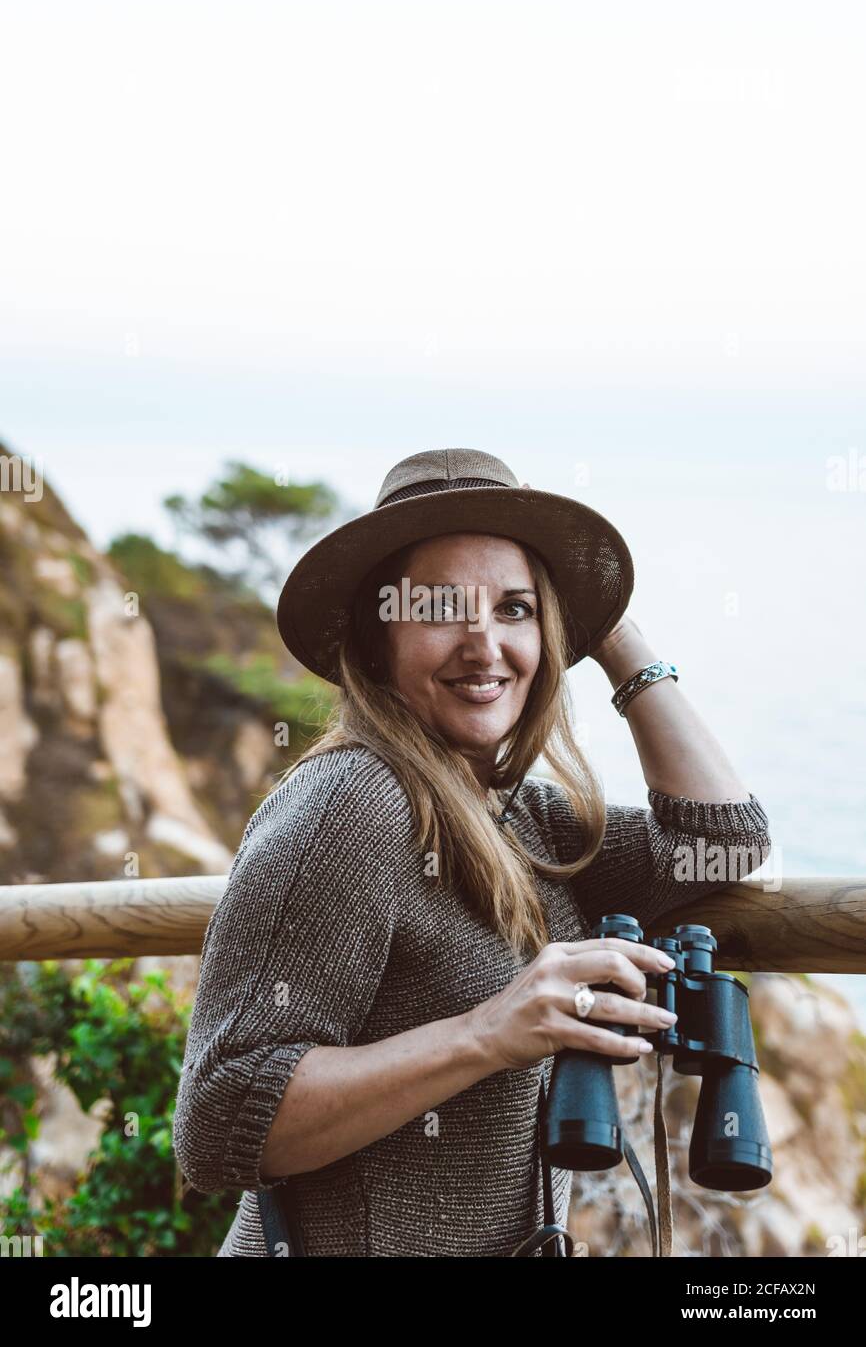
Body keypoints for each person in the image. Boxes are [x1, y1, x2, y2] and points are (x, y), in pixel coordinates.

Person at [172, 448, 772, 1257]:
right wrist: (490, 1031)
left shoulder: (522, 816)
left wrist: (612, 632)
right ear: (378, 637)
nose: (483, 643)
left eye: (516, 609)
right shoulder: (351, 804)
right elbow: (217, 1121)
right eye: (440, 607)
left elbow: (725, 842)